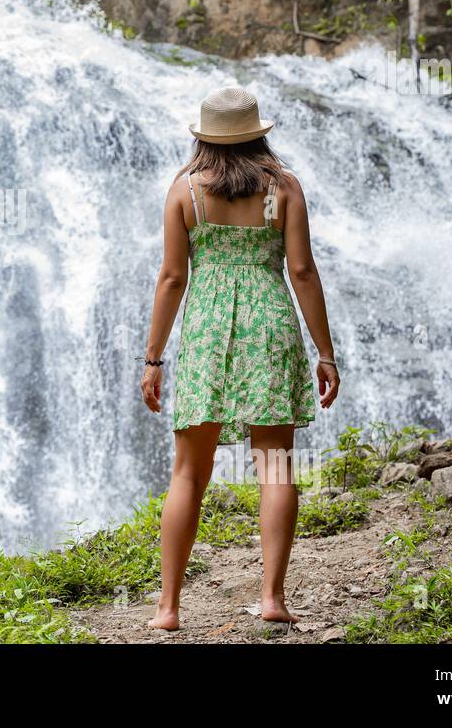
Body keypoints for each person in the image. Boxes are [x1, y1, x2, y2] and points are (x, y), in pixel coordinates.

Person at [140, 86, 340, 630]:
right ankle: (272, 599)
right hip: (270, 322)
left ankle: (168, 609)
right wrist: (325, 352)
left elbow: (173, 278)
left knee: (188, 472)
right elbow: (302, 272)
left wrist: (153, 357)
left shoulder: (186, 191)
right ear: (258, 134)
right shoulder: (284, 189)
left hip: (207, 329)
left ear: (203, 138)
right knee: (276, 464)